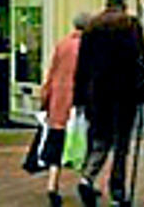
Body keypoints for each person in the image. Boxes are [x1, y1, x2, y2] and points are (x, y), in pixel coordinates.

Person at [74, 0, 144, 207]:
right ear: (123, 3)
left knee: (100, 139)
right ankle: (117, 191)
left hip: (98, 93)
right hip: (124, 93)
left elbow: (83, 64)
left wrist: (80, 96)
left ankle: (87, 178)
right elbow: (138, 61)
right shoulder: (130, 25)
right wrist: (141, 88)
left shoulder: (92, 26)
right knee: (121, 144)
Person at [40, 13, 89, 207]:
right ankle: (87, 181)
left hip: (59, 103)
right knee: (86, 144)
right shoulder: (88, 48)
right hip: (79, 104)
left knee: (56, 147)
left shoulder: (62, 45)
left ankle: (52, 186)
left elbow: (52, 73)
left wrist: (46, 98)